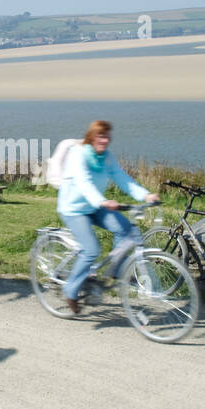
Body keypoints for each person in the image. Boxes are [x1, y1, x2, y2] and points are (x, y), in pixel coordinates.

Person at [57, 120, 160, 315]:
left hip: (95, 207)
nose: (104, 140)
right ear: (91, 136)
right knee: (91, 250)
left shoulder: (106, 157)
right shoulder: (78, 154)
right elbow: (83, 182)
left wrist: (145, 195)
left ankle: (118, 269)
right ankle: (70, 290)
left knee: (126, 229)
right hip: (74, 209)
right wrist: (102, 201)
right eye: (100, 136)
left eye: (107, 136)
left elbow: (123, 179)